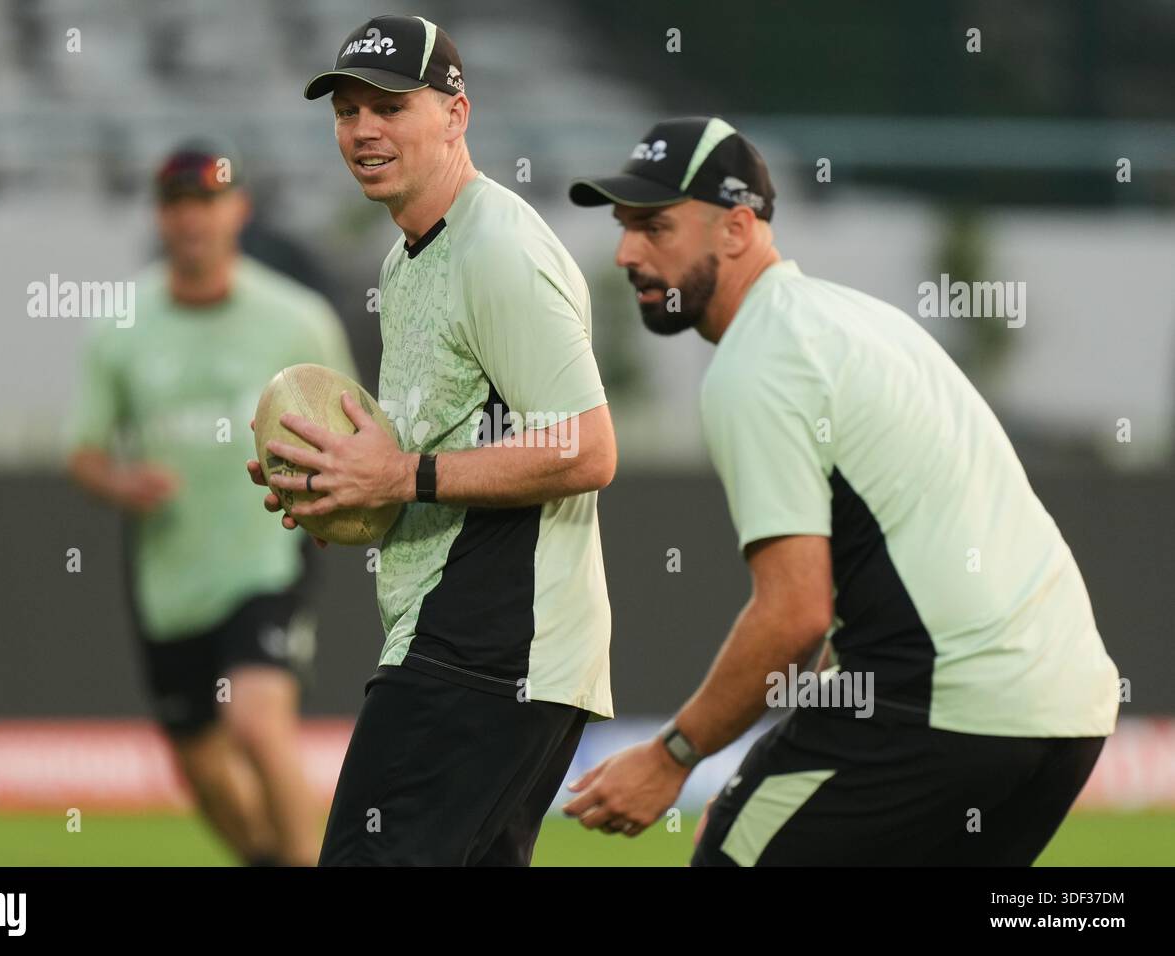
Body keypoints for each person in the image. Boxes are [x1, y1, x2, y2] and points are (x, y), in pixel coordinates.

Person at [562, 116, 1119, 866]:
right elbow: (876, 589)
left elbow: (794, 613)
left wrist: (672, 756)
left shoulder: (758, 361)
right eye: (625, 226)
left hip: (946, 706)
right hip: (1069, 709)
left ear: (735, 228)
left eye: (655, 226)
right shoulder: (861, 322)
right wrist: (758, 777)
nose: (627, 251)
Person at [246, 15, 617, 865]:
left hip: (485, 649)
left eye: (390, 106)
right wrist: (336, 485)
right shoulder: (406, 258)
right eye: (346, 111)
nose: (364, 129)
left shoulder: (498, 249)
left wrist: (400, 475)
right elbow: (423, 463)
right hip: (481, 648)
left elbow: (589, 449)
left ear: (456, 114)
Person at [67, 140, 357, 866]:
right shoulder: (121, 323)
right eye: (177, 204)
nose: (192, 220)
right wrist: (121, 484)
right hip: (170, 577)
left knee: (258, 725)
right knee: (199, 768)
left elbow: (354, 428)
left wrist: (331, 502)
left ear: (239, 211)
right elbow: (85, 451)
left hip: (267, 556)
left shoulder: (297, 318)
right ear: (160, 218)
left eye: (207, 202)